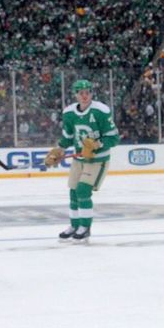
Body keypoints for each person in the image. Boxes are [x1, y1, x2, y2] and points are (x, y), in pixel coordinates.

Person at [43, 78, 119, 242]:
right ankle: (74, 225)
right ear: (76, 95)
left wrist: (97, 145)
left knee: (83, 191)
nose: (84, 96)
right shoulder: (69, 113)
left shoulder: (101, 111)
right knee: (73, 192)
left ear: (92, 93)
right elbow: (68, 137)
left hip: (97, 159)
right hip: (79, 160)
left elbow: (113, 138)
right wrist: (58, 151)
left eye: (87, 92)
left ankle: (85, 227)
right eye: (81, 93)